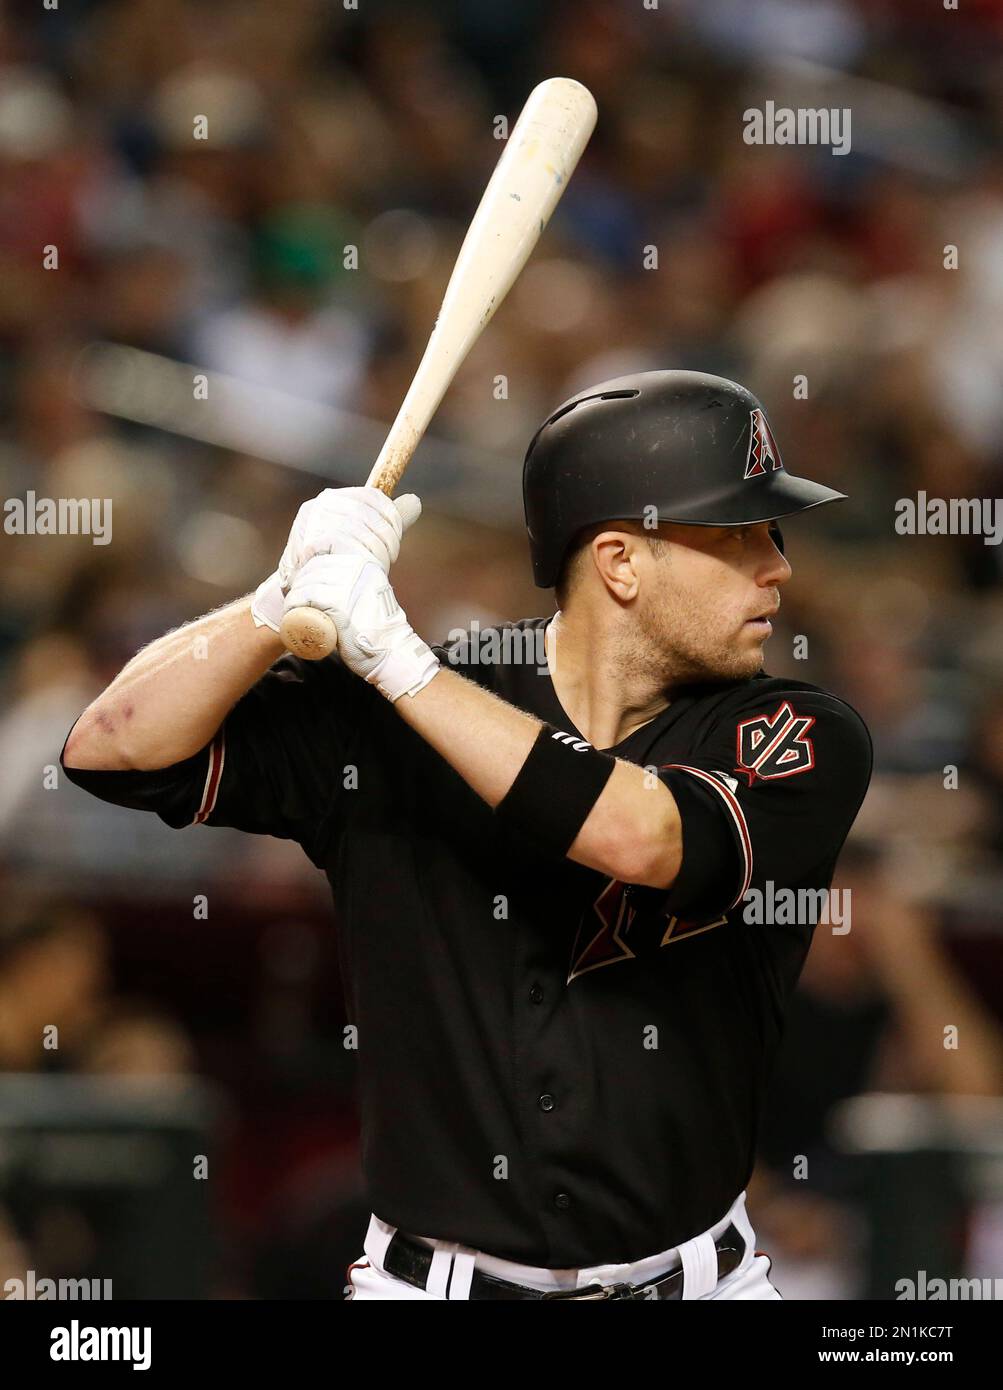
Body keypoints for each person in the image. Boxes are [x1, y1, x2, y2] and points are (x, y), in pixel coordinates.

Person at [61, 370, 872, 1300]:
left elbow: (647, 837)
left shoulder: (799, 730)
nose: (778, 565)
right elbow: (110, 750)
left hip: (696, 1281)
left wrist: (400, 667)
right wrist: (269, 609)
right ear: (619, 562)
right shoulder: (394, 712)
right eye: (737, 535)